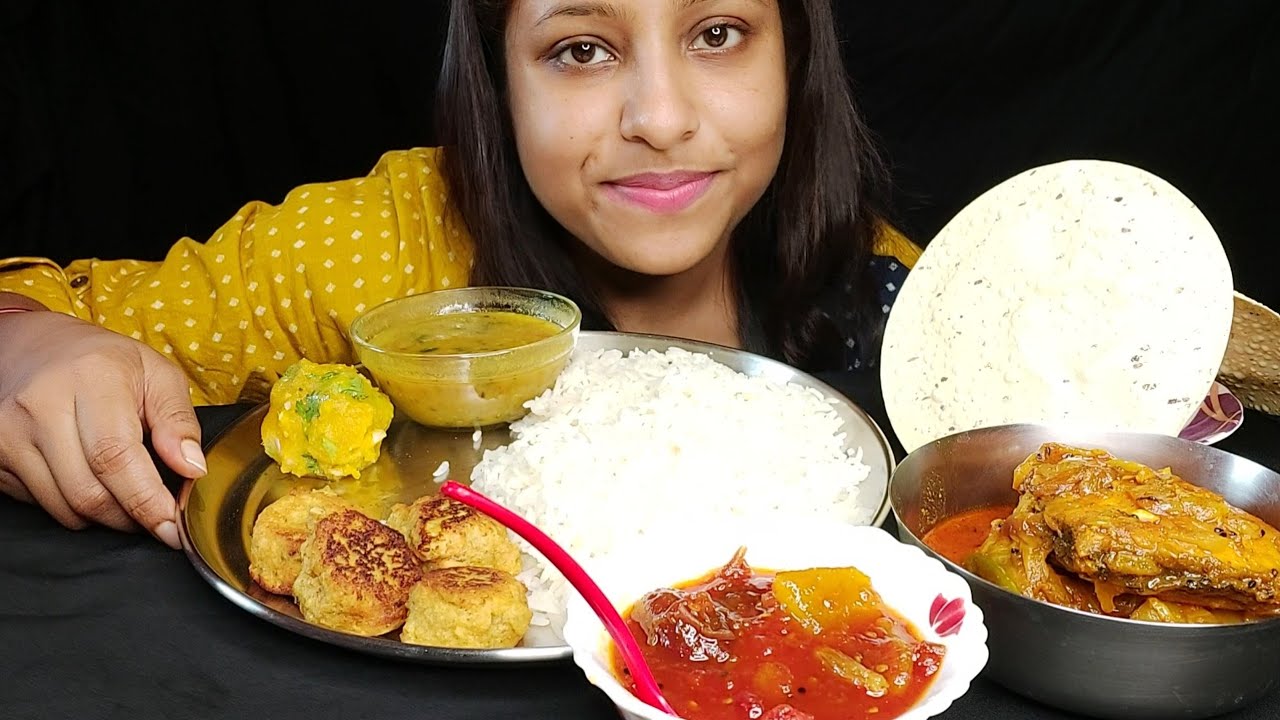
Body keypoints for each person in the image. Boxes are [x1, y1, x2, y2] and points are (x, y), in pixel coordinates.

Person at [0, 0, 921, 548]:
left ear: (795, 55)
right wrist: (24, 344)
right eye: (581, 50)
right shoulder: (363, 248)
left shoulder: (893, 290)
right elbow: (38, 306)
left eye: (718, 33)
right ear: (498, 77)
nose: (661, 117)